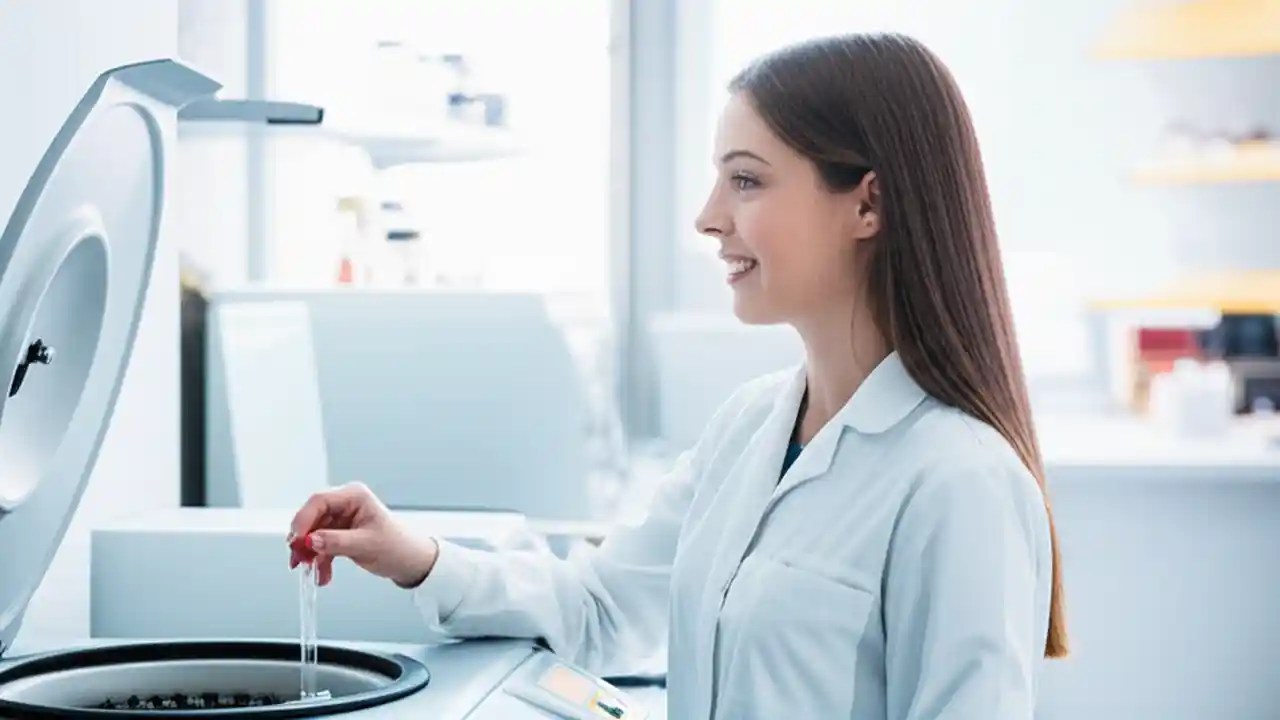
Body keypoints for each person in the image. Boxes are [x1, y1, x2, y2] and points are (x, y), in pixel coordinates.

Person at [288, 32, 1067, 719]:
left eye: (748, 180)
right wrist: (411, 554)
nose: (707, 216)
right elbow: (597, 609)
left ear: (869, 205)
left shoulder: (961, 482)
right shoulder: (749, 428)